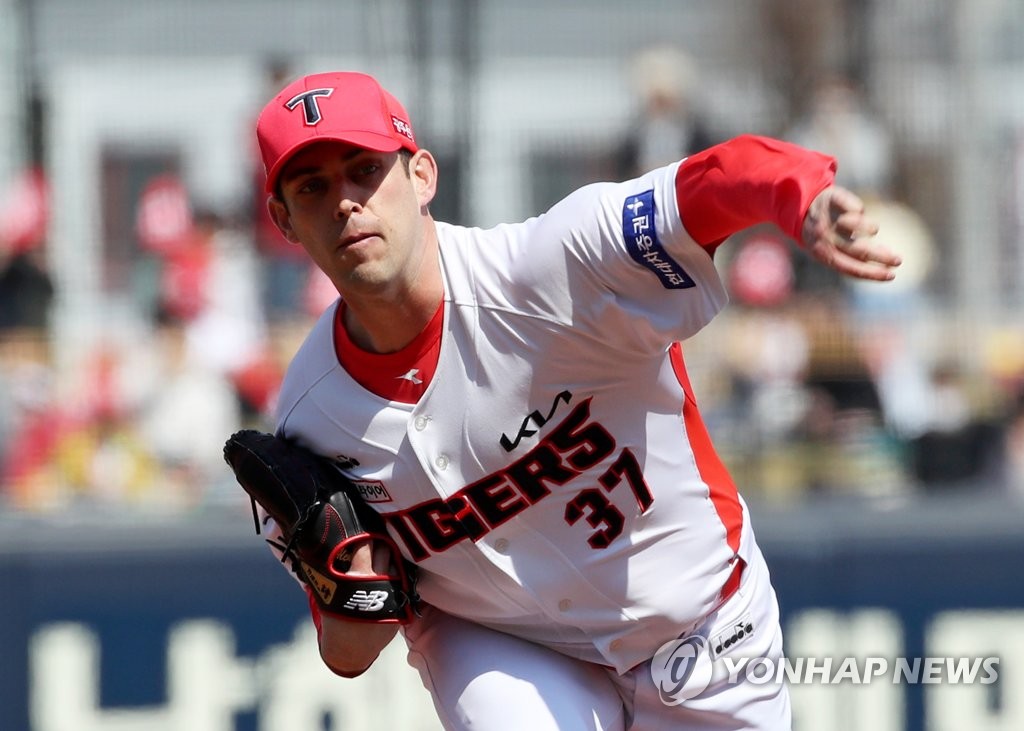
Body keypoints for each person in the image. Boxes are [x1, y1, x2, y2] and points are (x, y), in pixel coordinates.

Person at [250, 70, 900, 731]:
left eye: (364, 169)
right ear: (284, 222)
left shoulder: (549, 270)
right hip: (503, 643)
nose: (345, 202)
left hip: (699, 619)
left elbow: (708, 183)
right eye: (313, 187)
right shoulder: (308, 416)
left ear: (421, 175)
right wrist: (352, 601)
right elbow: (349, 652)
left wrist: (803, 194)